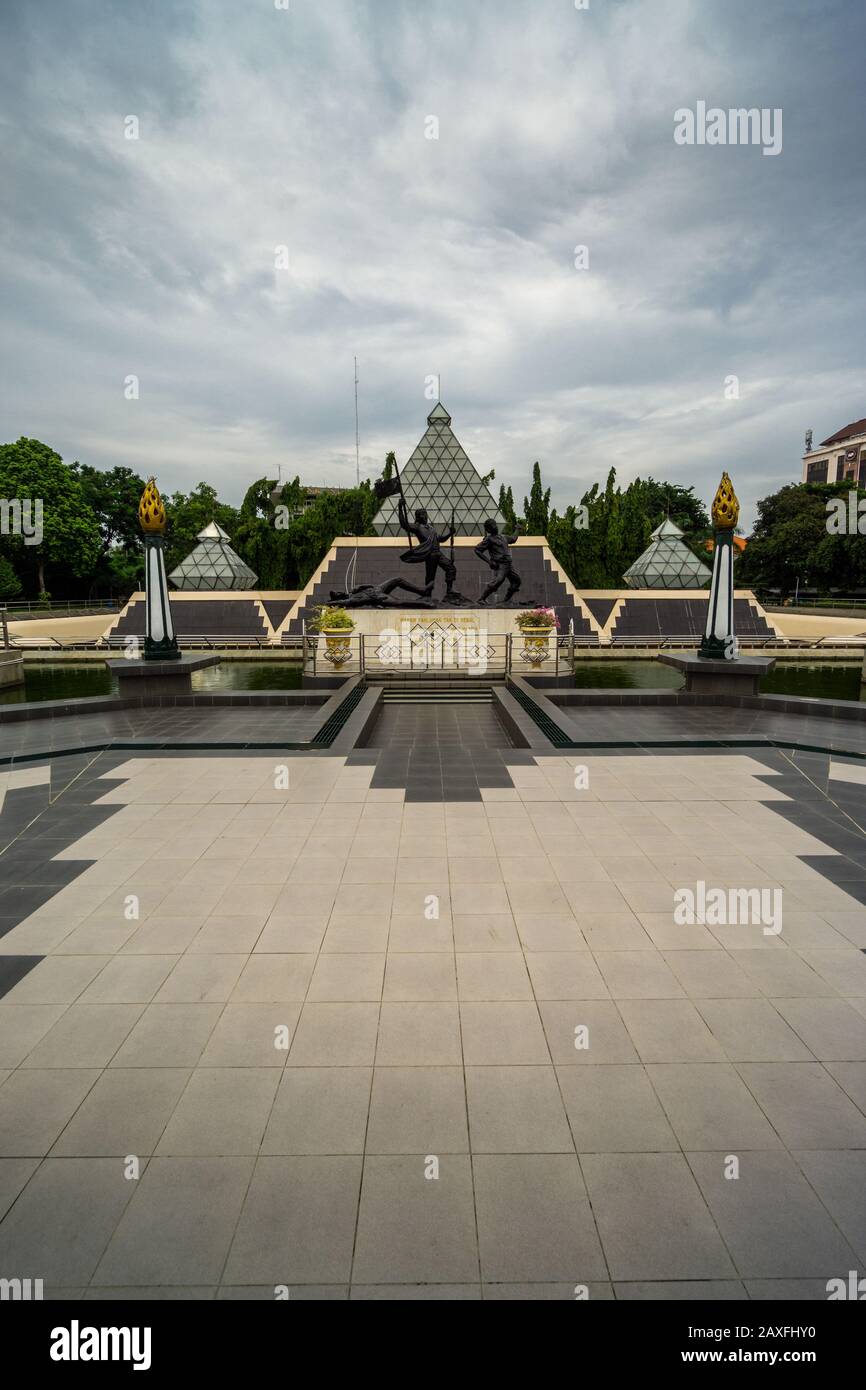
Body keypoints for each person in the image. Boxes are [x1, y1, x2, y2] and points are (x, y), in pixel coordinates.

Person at [397, 501, 460, 600]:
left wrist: (450, 533)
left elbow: (441, 539)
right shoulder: (417, 527)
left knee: (451, 568)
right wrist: (400, 507)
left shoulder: (431, 528)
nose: (426, 516)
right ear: (418, 517)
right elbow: (404, 524)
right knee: (430, 576)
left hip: (438, 553)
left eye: (426, 514)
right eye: (423, 514)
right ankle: (427, 595)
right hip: (430, 555)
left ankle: (449, 590)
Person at [475, 518, 522, 604]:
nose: (495, 527)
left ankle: (506, 600)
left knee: (517, 581)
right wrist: (489, 561)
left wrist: (517, 529)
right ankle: (481, 599)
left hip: (509, 564)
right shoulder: (489, 539)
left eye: (495, 524)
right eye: (492, 526)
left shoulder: (504, 537)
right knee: (498, 581)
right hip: (501, 565)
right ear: (489, 530)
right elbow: (477, 550)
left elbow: (513, 538)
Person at [328, 576, 432, 607]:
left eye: (337, 591)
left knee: (397, 580)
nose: (339, 592)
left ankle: (422, 591)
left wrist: (361, 586)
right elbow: (340, 603)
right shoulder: (351, 600)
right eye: (337, 594)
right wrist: (330, 603)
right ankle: (424, 603)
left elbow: (371, 585)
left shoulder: (353, 591)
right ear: (339, 598)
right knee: (399, 602)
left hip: (378, 588)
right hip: (378, 598)